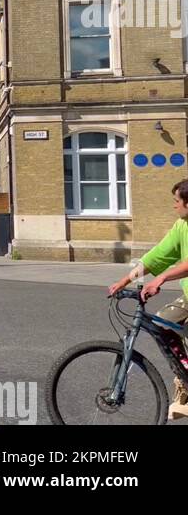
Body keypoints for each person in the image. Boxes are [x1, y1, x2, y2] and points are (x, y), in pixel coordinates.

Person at [109, 179, 188, 420]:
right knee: (164, 323)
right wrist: (126, 280)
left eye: (177, 201)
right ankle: (185, 379)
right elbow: (158, 255)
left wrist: (161, 278)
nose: (174, 206)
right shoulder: (181, 225)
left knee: (166, 322)